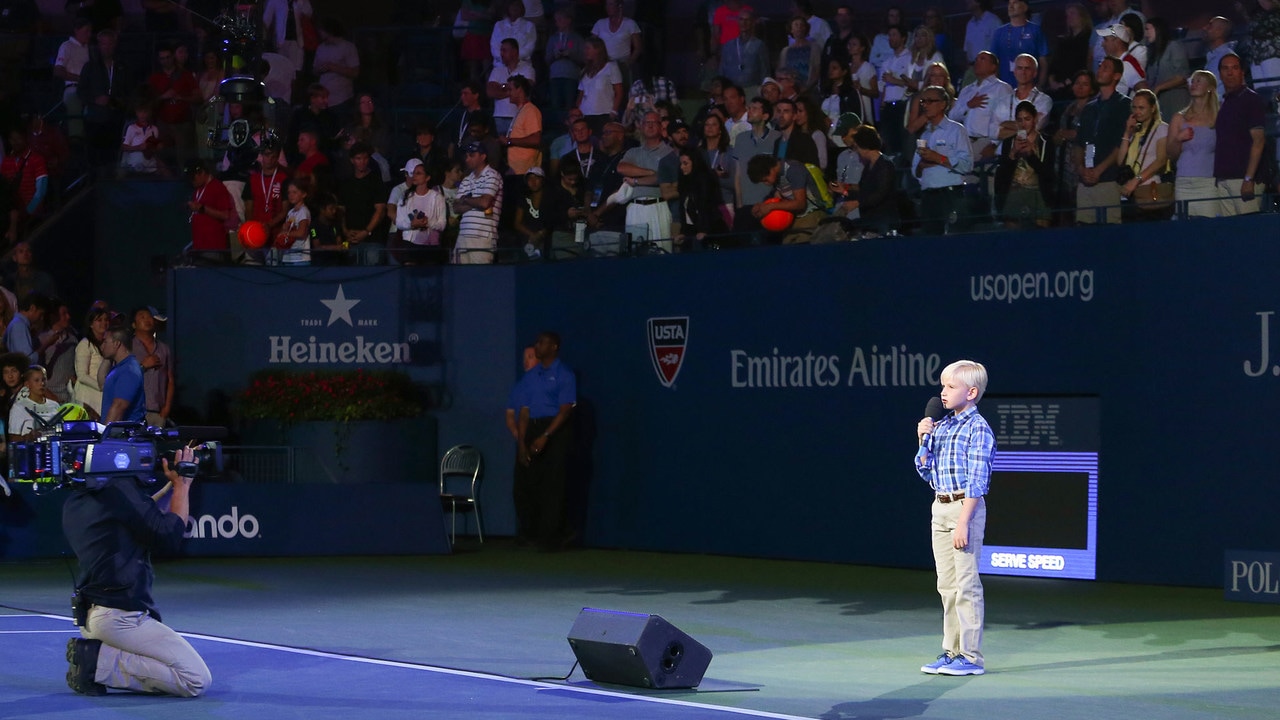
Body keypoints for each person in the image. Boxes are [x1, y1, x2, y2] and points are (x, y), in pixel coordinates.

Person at [63, 440, 210, 697]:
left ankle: (100, 655)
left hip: (92, 617)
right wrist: (183, 483)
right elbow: (168, 534)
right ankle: (97, 663)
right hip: (121, 619)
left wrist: (170, 484)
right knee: (195, 680)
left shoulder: (76, 501)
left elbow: (144, 516)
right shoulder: (118, 493)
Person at [915, 360, 995, 678]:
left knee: (966, 585)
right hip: (940, 506)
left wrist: (964, 521)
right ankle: (952, 651)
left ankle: (971, 657)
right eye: (943, 386)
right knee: (946, 585)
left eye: (950, 386)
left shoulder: (978, 429)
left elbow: (978, 480)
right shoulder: (943, 425)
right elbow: (925, 469)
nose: (943, 392)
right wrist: (922, 438)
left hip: (965, 509)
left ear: (971, 392)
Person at [507, 331, 575, 551]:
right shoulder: (531, 376)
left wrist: (546, 436)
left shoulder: (565, 374)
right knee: (526, 485)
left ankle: (550, 539)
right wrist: (521, 443)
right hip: (532, 427)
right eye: (536, 342)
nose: (537, 346)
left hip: (555, 429)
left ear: (554, 346)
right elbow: (524, 411)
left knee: (552, 486)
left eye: (542, 342)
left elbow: (565, 411)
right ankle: (529, 534)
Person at [1073, 57, 1131, 224]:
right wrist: (1080, 168)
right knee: (1084, 230)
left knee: (1110, 232)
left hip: (1109, 180)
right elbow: (1079, 143)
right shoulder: (1090, 107)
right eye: (1099, 66)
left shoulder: (1124, 104)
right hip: (1085, 181)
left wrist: (1099, 170)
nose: (1100, 70)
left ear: (1116, 76)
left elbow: (1119, 144)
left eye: (1106, 67)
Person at [912, 86, 972, 235]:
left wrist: (938, 158)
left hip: (950, 196)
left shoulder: (956, 130)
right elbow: (915, 171)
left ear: (943, 104)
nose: (925, 105)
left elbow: (967, 165)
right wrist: (922, 165)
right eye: (923, 101)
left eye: (930, 101)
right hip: (928, 197)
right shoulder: (924, 135)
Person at [1213, 53, 1266, 217]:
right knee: (1231, 235)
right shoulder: (1225, 102)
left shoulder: (1251, 100)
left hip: (1243, 179)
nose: (1230, 73)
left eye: (1235, 68)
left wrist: (1248, 179)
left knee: (1248, 232)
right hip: (1224, 178)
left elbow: (1259, 141)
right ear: (1220, 73)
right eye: (1225, 68)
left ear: (1242, 72)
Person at [1165, 70, 1219, 219]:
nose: (1193, 84)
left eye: (1198, 81)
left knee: (1208, 229)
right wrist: (1178, 139)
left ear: (1210, 88)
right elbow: (1171, 154)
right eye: (1192, 81)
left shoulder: (1217, 118)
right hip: (1184, 182)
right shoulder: (1179, 118)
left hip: (1208, 183)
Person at [994, 100, 1053, 227]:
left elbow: (1048, 173)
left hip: (1038, 194)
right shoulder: (1009, 142)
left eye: (1027, 119)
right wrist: (1013, 153)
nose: (1023, 124)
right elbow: (1002, 174)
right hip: (1014, 194)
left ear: (1035, 118)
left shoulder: (1045, 142)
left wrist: (1031, 155)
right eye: (1020, 120)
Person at [1051, 69, 1098, 222]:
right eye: (1078, 83)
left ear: (1092, 88)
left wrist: (1071, 134)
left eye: (1085, 84)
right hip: (1063, 163)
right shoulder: (1068, 108)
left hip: (1083, 162)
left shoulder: (1094, 108)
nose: (1080, 87)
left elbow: (1094, 135)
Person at [1116, 88, 1170, 220]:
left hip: (1149, 190)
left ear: (1152, 108)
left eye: (1141, 108)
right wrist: (1127, 134)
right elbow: (1120, 161)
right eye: (1134, 107)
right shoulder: (1135, 131)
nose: (1137, 112)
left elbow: (1161, 160)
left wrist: (1136, 181)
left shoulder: (1161, 128)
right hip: (1129, 192)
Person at [746, 153, 823, 244]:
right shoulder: (777, 177)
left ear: (771, 169)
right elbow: (778, 199)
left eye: (765, 180)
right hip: (794, 219)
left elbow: (800, 204)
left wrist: (770, 206)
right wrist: (761, 207)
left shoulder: (793, 169)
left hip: (811, 214)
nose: (766, 184)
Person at [453, 142, 503, 264]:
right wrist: (476, 201)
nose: (467, 159)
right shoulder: (466, 179)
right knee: (459, 278)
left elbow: (485, 203)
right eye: (467, 156)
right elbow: (456, 207)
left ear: (483, 156)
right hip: (463, 235)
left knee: (479, 278)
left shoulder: (492, 175)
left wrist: (465, 199)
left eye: (471, 155)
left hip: (482, 236)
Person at [339, 142, 388, 265]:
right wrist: (345, 231)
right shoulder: (346, 183)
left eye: (365, 158)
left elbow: (380, 210)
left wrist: (366, 231)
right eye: (358, 158)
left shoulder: (376, 180)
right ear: (352, 160)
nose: (362, 162)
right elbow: (341, 210)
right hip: (351, 239)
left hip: (373, 240)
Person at [1, 127, 50, 245]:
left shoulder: (36, 159)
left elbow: (41, 192)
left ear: (25, 139)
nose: (15, 142)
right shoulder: (6, 161)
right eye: (12, 139)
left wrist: (28, 212)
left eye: (18, 138)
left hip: (30, 211)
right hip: (12, 211)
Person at [394, 158, 447, 265]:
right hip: (410, 246)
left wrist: (427, 223)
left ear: (427, 177)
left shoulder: (437, 197)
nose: (414, 176)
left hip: (431, 247)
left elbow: (442, 224)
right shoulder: (406, 197)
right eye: (413, 173)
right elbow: (399, 223)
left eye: (418, 173)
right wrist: (412, 224)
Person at [676, 147, 727, 250]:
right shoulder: (684, 183)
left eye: (685, 163)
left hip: (712, 231)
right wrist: (684, 232)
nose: (682, 167)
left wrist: (704, 229)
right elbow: (686, 211)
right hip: (694, 232)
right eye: (681, 164)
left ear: (695, 163)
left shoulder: (705, 179)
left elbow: (706, 206)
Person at [1139, 18, 1188, 123]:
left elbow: (1182, 77)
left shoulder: (1174, 46)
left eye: (1148, 29)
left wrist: (1159, 88)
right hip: (1160, 104)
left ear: (1158, 29)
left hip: (1175, 100)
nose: (1146, 34)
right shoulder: (1152, 52)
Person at [185, 159, 234, 265]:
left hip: (213, 248)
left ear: (202, 173)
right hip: (199, 246)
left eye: (193, 177)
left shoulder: (218, 187)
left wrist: (202, 208)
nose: (191, 181)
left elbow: (225, 215)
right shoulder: (197, 190)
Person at [990, 0, 1049, 87]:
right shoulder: (999, 33)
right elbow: (993, 63)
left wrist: (1040, 86)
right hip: (1005, 88)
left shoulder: (1035, 30)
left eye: (1015, 3)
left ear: (1025, 7)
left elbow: (1043, 62)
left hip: (1030, 88)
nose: (1011, 6)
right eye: (1009, 3)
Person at [131, 307, 173, 427]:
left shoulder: (164, 349)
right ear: (134, 324)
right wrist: (142, 365)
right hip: (135, 411)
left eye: (149, 317)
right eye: (142, 317)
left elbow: (170, 380)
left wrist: (167, 408)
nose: (147, 320)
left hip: (158, 412)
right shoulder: (128, 347)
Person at [313, 18, 360, 122]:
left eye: (321, 30)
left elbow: (355, 73)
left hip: (341, 99)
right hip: (322, 100)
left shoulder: (348, 47)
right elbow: (314, 70)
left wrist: (333, 67)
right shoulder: (321, 48)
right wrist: (320, 69)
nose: (319, 32)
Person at [488, 39, 537, 138]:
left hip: (519, 115)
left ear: (514, 52)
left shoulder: (527, 69)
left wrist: (501, 87)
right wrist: (513, 90)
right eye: (501, 50)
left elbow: (525, 89)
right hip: (499, 117)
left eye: (504, 50)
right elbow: (490, 92)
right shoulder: (497, 70)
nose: (501, 53)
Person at [54, 18, 93, 139]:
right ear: (77, 30)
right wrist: (81, 79)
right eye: (86, 31)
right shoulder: (67, 46)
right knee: (73, 97)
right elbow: (58, 71)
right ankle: (76, 136)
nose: (89, 34)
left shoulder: (89, 49)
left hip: (89, 88)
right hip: (73, 87)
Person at [1047, 3, 1094, 99]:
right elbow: (1054, 64)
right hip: (1058, 86)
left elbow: (1084, 64)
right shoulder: (1063, 41)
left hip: (1077, 87)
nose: (1069, 17)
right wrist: (1052, 81)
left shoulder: (1089, 39)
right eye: (1067, 15)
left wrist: (1066, 83)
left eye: (1073, 13)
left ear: (1082, 16)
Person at [720, 8, 770, 99]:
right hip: (732, 90)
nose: (744, 23)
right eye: (741, 19)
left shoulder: (759, 45)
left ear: (752, 22)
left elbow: (765, 70)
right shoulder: (728, 45)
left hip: (752, 89)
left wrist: (764, 89)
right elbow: (722, 69)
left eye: (747, 20)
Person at [72, 306, 109, 417]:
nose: (104, 323)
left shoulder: (106, 345)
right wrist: (102, 386)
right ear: (91, 324)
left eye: (106, 320)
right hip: (87, 398)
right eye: (99, 320)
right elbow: (82, 376)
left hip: (101, 396)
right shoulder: (85, 345)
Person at [6, 292, 56, 364]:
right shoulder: (19, 326)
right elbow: (27, 360)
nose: (42, 318)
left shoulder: (18, 324)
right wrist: (47, 344)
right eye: (41, 314)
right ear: (32, 308)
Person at [779, 16, 820, 95]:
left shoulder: (814, 48)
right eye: (796, 25)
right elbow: (782, 72)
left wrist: (806, 87)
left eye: (802, 25)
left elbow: (817, 70)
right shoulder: (785, 51)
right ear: (791, 29)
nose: (799, 27)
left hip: (809, 89)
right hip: (790, 90)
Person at [276, 178, 312, 266]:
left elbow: (301, 233)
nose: (291, 195)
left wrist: (286, 233)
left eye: (294, 192)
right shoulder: (290, 212)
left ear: (303, 194)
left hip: (300, 258)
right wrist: (285, 228)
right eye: (289, 192)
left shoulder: (303, 211)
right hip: (288, 256)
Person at [964, 0, 1001, 74]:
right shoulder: (970, 23)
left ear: (979, 2)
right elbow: (967, 49)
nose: (967, 1)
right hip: (973, 68)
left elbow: (1000, 47)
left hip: (989, 69)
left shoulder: (993, 21)